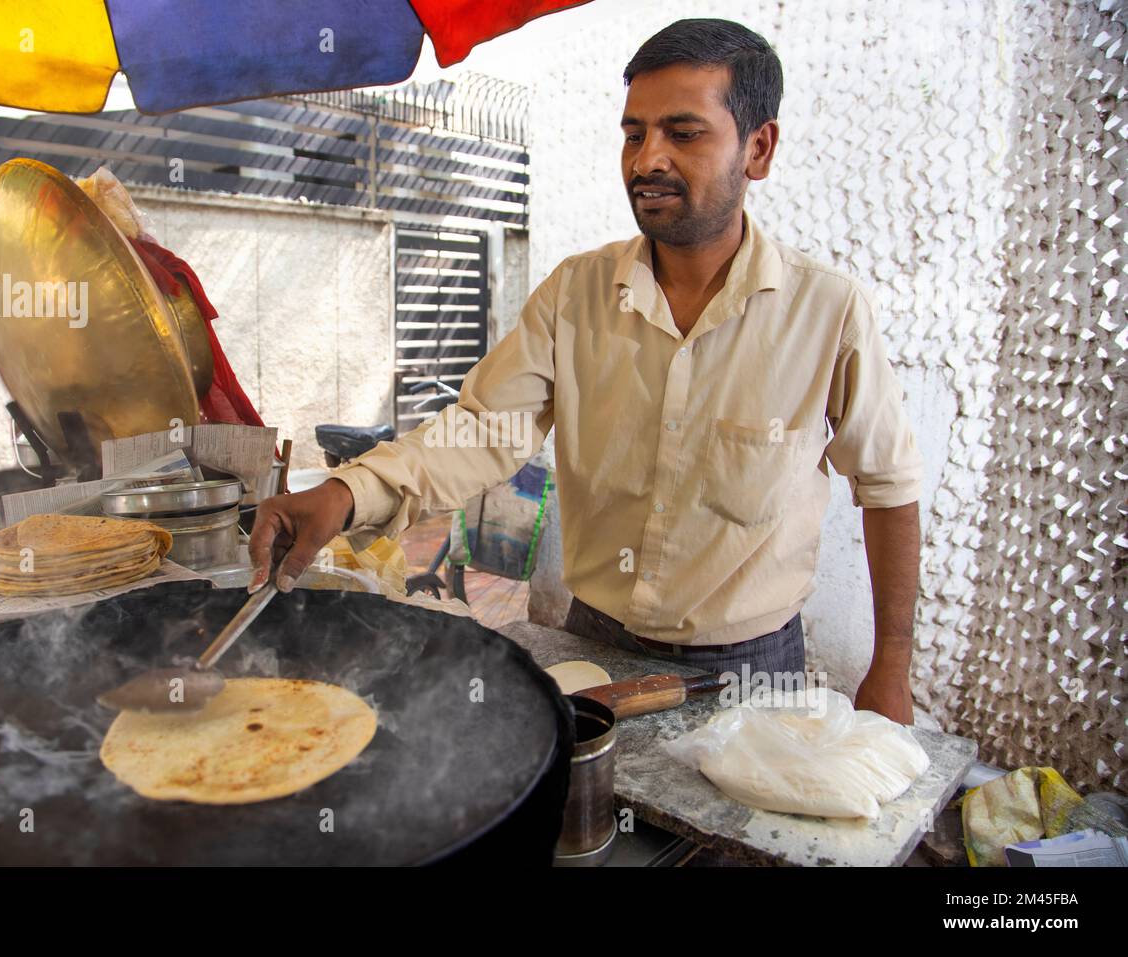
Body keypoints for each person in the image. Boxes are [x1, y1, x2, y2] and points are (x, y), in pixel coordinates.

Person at [249, 18, 922, 724]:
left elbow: (888, 489)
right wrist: (348, 493)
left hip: (752, 669)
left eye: (683, 133)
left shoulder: (827, 311)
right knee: (592, 824)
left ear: (758, 148)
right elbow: (484, 431)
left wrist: (892, 666)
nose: (647, 159)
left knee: (725, 839)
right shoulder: (577, 294)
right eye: (635, 134)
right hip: (596, 644)